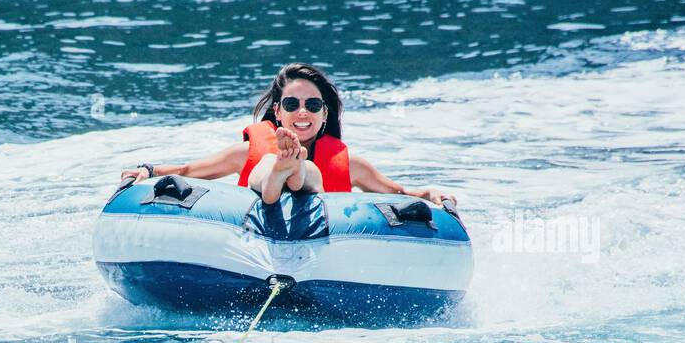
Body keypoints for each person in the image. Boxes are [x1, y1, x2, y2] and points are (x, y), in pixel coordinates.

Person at [120, 62, 457, 207]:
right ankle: (284, 170)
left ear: (325, 115)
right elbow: (189, 171)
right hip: (265, 187)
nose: (302, 112)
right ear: (277, 111)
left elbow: (395, 192)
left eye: (313, 104)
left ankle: (291, 170)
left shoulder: (352, 164)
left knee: (307, 173)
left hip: (311, 202)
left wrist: (424, 194)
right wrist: (149, 171)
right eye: (292, 103)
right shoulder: (245, 152)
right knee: (269, 163)